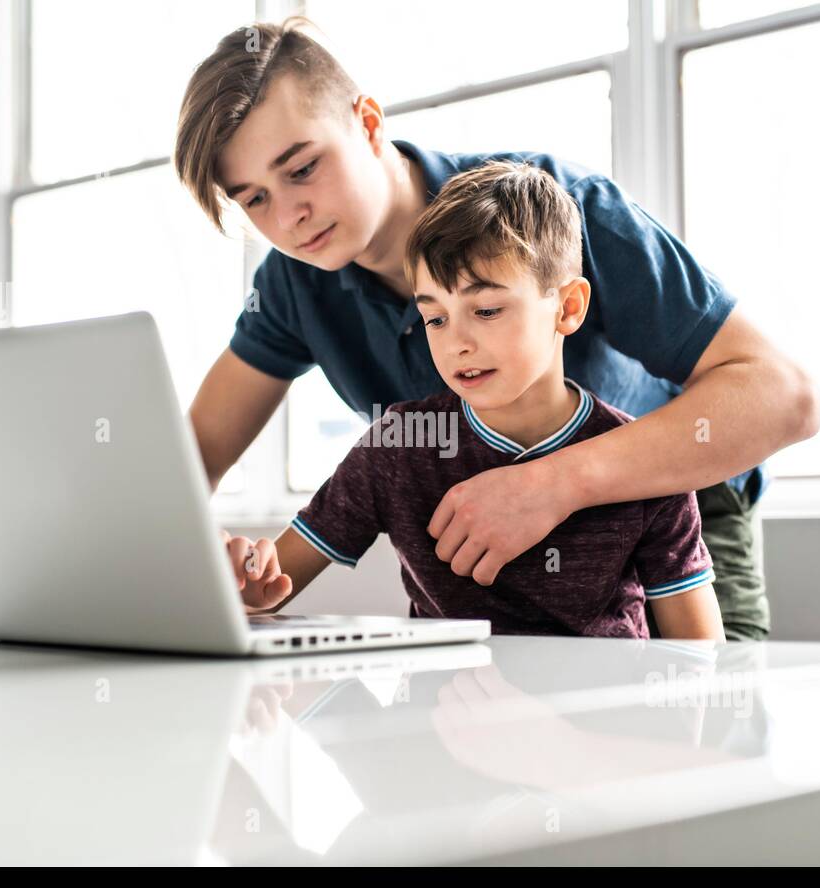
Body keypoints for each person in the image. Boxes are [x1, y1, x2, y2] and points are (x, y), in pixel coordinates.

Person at [176, 18, 820, 640]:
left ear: (368, 124)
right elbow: (191, 455)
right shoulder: (295, 283)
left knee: (696, 733)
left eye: (302, 168)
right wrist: (203, 573)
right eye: (254, 198)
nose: (289, 217)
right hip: (490, 565)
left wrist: (554, 482)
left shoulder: (555, 211)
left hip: (665, 515)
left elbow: (783, 398)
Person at [221, 160, 722, 639]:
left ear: (567, 307)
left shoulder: (645, 468)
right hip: (437, 721)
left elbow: (700, 665)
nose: (455, 342)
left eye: (485, 310)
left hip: (597, 722)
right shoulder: (398, 443)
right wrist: (251, 578)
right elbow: (267, 590)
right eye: (435, 318)